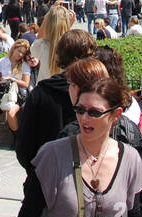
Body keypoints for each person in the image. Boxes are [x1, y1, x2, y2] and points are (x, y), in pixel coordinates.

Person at [7, 76, 142, 217]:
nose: (84, 118)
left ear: (116, 115)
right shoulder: (52, 154)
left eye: (94, 113)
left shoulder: (129, 158)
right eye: (80, 110)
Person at [14, 27, 97, 175]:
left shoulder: (41, 92)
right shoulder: (100, 93)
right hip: (91, 175)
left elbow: (24, 147)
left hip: (45, 176)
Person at [0, 39, 34, 132]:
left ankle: (18, 136)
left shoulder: (24, 65)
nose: (20, 55)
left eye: (23, 53)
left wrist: (12, 80)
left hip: (18, 95)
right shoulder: (2, 61)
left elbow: (26, 84)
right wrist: (2, 82)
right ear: (14, 48)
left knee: (11, 113)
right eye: (19, 51)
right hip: (3, 92)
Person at [30, 4, 71, 78]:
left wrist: (46, 17)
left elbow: (39, 37)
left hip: (45, 86)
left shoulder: (41, 45)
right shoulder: (72, 44)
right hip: (65, 88)